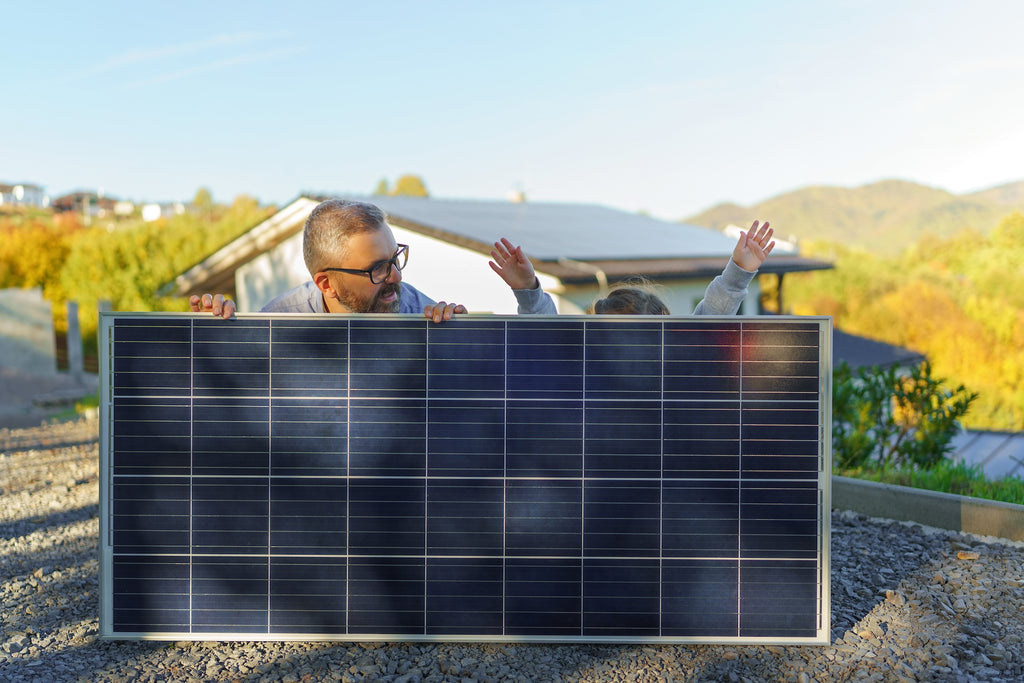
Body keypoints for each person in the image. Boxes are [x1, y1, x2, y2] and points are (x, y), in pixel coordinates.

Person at [190, 198, 554, 322]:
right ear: (326, 283)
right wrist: (207, 337)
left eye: (395, 259)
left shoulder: (418, 313)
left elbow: (540, 371)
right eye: (376, 269)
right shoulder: (280, 323)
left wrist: (529, 295)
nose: (395, 277)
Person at [488, 220, 775, 316]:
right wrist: (527, 290)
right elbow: (551, 339)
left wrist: (738, 272)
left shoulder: (681, 364)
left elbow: (706, 322)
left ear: (665, 319)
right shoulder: (587, 373)